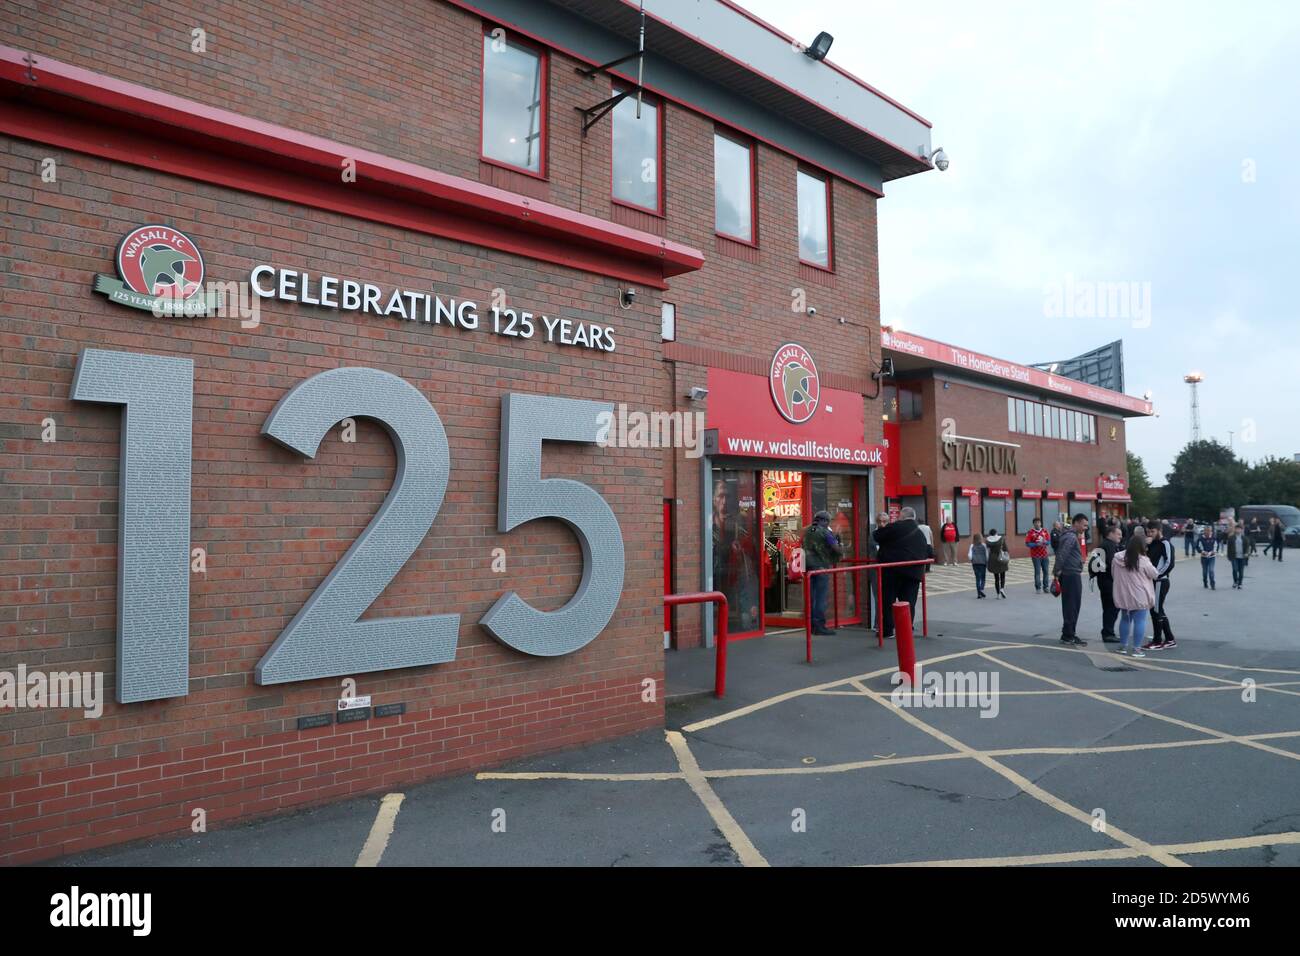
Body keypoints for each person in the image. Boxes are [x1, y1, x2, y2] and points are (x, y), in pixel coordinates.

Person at [873, 505, 929, 639]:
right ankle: (906, 629)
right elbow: (928, 551)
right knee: (909, 602)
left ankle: (888, 630)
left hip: (892, 572)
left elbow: (877, 535)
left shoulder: (896, 527)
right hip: (914, 573)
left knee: (888, 601)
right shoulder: (919, 533)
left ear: (902, 516)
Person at [1111, 527, 1158, 659]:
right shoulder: (1143, 560)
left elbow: (1113, 574)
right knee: (1140, 621)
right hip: (1140, 596)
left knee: (1125, 620)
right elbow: (1155, 574)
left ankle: (1123, 646)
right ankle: (1137, 649)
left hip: (1124, 595)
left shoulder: (1117, 558)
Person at [802, 510, 843, 636]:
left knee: (812, 597)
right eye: (828, 521)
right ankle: (819, 626)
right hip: (821, 567)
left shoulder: (806, 530)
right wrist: (839, 545)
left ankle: (811, 625)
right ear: (824, 521)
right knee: (820, 598)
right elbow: (836, 548)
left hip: (808, 567)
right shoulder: (825, 532)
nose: (828, 524)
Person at [1053, 513, 1089, 647]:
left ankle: (1069, 633)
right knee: (1072, 606)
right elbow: (1062, 554)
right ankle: (1068, 635)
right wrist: (1056, 572)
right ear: (1077, 523)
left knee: (1071, 605)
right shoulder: (1070, 537)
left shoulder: (1070, 536)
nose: (1085, 528)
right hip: (1071, 575)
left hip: (1070, 573)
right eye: (1084, 525)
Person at [1143, 519, 1177, 650]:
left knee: (1156, 610)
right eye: (1148, 532)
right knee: (1156, 610)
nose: (1150, 534)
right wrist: (1145, 545)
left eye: (1152, 531)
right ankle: (1169, 639)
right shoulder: (1150, 543)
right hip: (1152, 581)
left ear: (1159, 531)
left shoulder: (1165, 544)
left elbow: (1170, 563)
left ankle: (1158, 641)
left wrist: (1157, 575)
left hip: (1160, 581)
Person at [1095, 522, 1122, 642]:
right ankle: (1108, 633)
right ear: (1110, 534)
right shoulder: (1109, 546)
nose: (1120, 537)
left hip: (1103, 581)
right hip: (1109, 582)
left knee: (1108, 607)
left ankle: (1107, 631)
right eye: (1118, 534)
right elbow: (1113, 565)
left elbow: (1096, 566)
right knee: (1112, 608)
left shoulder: (1103, 545)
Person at [1026, 518, 1052, 594]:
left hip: (1044, 555)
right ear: (1033, 524)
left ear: (1041, 523)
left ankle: (1046, 587)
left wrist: (1045, 542)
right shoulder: (1030, 532)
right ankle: (1038, 587)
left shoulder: (1045, 531)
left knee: (1046, 571)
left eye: (1039, 522)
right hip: (1035, 555)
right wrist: (1035, 544)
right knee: (1037, 572)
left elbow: (1048, 542)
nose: (1037, 524)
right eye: (1036, 523)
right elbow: (1027, 543)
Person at [986, 527, 1010, 598]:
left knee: (996, 577)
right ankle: (1002, 588)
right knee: (1002, 575)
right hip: (1001, 558)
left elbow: (987, 551)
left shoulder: (988, 540)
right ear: (996, 533)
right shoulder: (1001, 539)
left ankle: (998, 594)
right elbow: (1006, 549)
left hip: (993, 559)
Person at [1226, 521, 1250, 589]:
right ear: (1235, 529)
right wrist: (1228, 556)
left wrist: (1246, 553)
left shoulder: (1245, 538)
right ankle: (1235, 581)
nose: (1238, 530)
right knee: (1234, 569)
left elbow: (1247, 547)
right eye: (1237, 529)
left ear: (1242, 530)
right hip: (1234, 556)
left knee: (1241, 570)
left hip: (1242, 557)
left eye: (1239, 529)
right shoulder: (1231, 538)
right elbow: (1229, 547)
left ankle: (1240, 583)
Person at [1195, 524, 1217, 590]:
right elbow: (1198, 547)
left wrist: (1213, 551)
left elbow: (1216, 546)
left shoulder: (1213, 538)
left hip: (1212, 557)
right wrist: (1202, 551)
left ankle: (1212, 584)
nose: (1208, 532)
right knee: (1205, 572)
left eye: (1209, 531)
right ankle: (1205, 582)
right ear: (1204, 531)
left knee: (1211, 570)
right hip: (1204, 557)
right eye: (1206, 531)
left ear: (1211, 531)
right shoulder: (1201, 538)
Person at [969, 532, 989, 598]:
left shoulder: (972, 545)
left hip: (975, 563)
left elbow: (969, 555)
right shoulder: (984, 545)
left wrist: (972, 560)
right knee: (983, 577)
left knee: (977, 578)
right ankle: (981, 589)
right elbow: (987, 555)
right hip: (982, 563)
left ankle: (979, 594)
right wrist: (987, 561)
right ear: (981, 538)